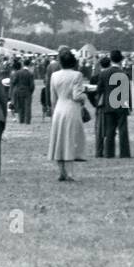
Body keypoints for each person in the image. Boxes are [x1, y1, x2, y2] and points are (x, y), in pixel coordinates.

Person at [47, 51, 89, 181]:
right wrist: (85, 95)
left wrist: (54, 111)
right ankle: (70, 173)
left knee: (59, 140)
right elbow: (76, 96)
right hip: (71, 109)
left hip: (59, 109)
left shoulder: (54, 75)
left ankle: (61, 172)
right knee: (70, 140)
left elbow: (53, 98)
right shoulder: (77, 75)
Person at [99, 49, 132, 158]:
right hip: (121, 103)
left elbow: (99, 89)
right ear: (121, 60)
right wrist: (130, 106)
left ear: (110, 59)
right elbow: (127, 91)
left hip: (108, 103)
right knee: (123, 129)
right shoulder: (124, 74)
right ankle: (124, 152)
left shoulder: (104, 73)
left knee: (109, 129)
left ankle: (109, 152)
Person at [9, 58, 35, 125]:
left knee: (20, 106)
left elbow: (14, 82)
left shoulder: (18, 72)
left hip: (19, 90)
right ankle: (27, 121)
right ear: (29, 65)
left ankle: (21, 120)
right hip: (27, 91)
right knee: (28, 106)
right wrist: (30, 92)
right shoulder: (30, 73)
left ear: (23, 64)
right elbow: (32, 85)